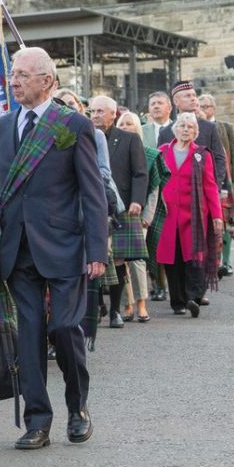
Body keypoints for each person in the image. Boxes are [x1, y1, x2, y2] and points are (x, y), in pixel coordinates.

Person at [0, 47, 107, 450]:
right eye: (13, 75)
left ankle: (78, 406)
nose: (13, 82)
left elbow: (93, 192)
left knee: (66, 328)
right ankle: (37, 421)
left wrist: (97, 251)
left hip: (65, 246)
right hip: (17, 249)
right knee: (30, 335)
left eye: (22, 75)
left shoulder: (73, 125)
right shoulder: (0, 130)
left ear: (47, 81)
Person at [153, 112, 223, 319]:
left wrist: (217, 215)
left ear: (196, 132)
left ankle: (193, 297)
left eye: (190, 127)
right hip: (168, 214)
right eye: (182, 126)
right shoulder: (162, 151)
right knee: (172, 259)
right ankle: (178, 302)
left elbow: (210, 187)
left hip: (194, 214)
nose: (186, 130)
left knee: (194, 257)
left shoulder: (202, 154)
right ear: (175, 129)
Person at [89, 95, 148, 329]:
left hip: (120, 206)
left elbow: (140, 173)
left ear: (113, 114)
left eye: (100, 111)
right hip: (92, 205)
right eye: (92, 111)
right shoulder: (83, 135)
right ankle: (98, 307)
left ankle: (115, 311)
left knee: (118, 261)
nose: (95, 115)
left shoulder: (129, 138)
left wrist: (137, 201)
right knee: (93, 260)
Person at [116, 111, 164, 322]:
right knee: (120, 261)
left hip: (139, 214)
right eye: (122, 123)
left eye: (130, 123)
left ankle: (142, 303)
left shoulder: (148, 153)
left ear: (138, 127)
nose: (126, 126)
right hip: (118, 213)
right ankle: (129, 303)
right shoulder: (113, 150)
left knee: (137, 261)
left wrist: (147, 216)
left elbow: (153, 188)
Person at [198, 93, 234, 277]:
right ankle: (211, 262)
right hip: (205, 179)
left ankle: (226, 262)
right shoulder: (194, 126)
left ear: (213, 108)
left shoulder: (225, 127)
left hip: (226, 181)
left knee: (226, 222)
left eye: (206, 106)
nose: (203, 109)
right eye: (200, 106)